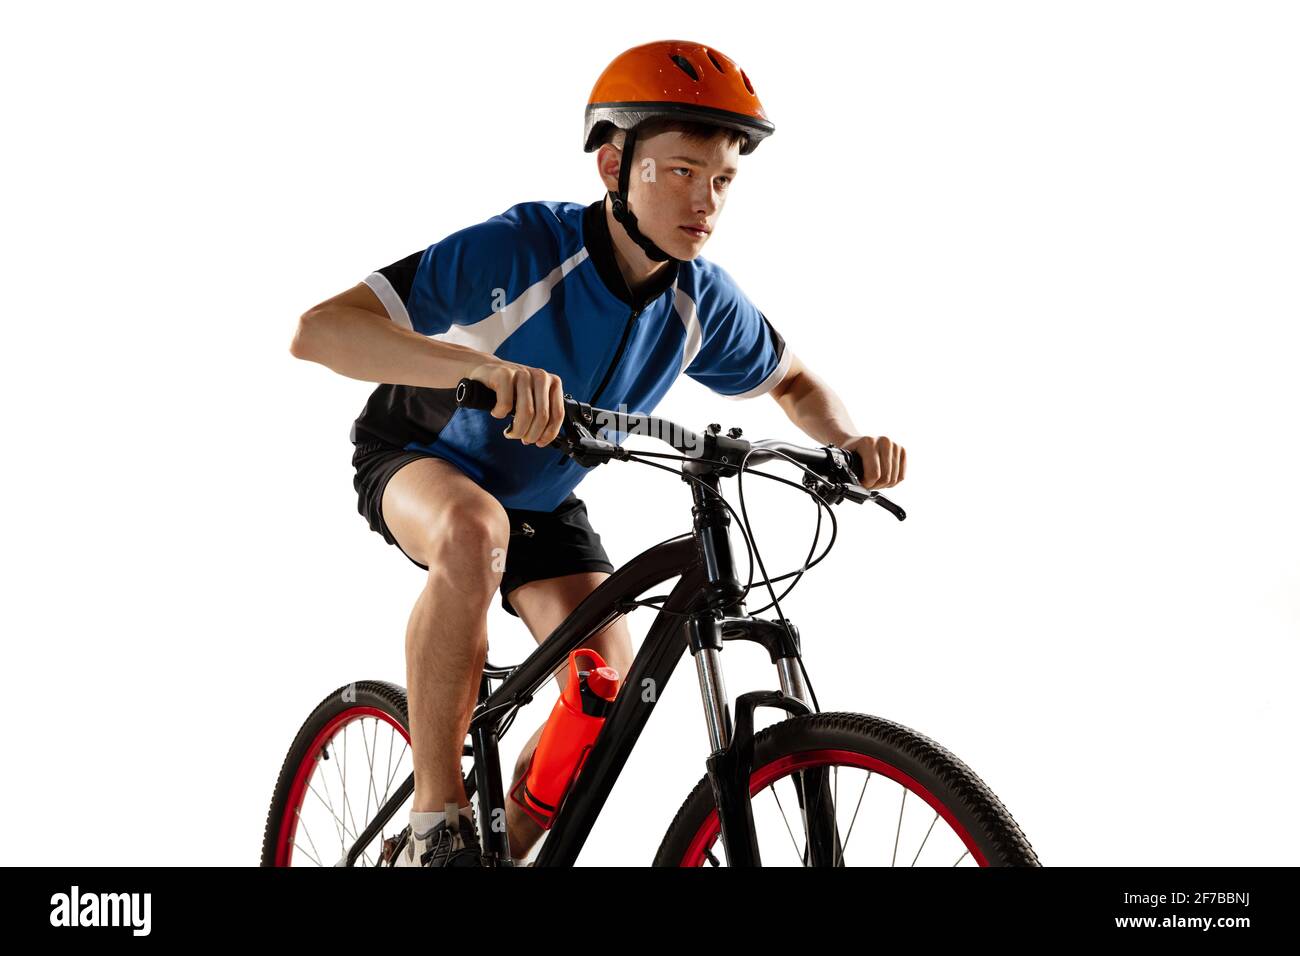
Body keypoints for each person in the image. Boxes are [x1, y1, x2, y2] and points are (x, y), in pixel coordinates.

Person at [289, 39, 906, 867]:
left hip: (543, 499)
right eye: (681, 172)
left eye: (723, 180)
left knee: (603, 685)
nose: (706, 202)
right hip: (422, 452)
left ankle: (501, 845)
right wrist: (481, 365)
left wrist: (847, 441)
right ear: (614, 165)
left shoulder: (701, 300)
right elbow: (321, 331)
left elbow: (792, 382)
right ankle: (436, 820)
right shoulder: (523, 249)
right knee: (473, 530)